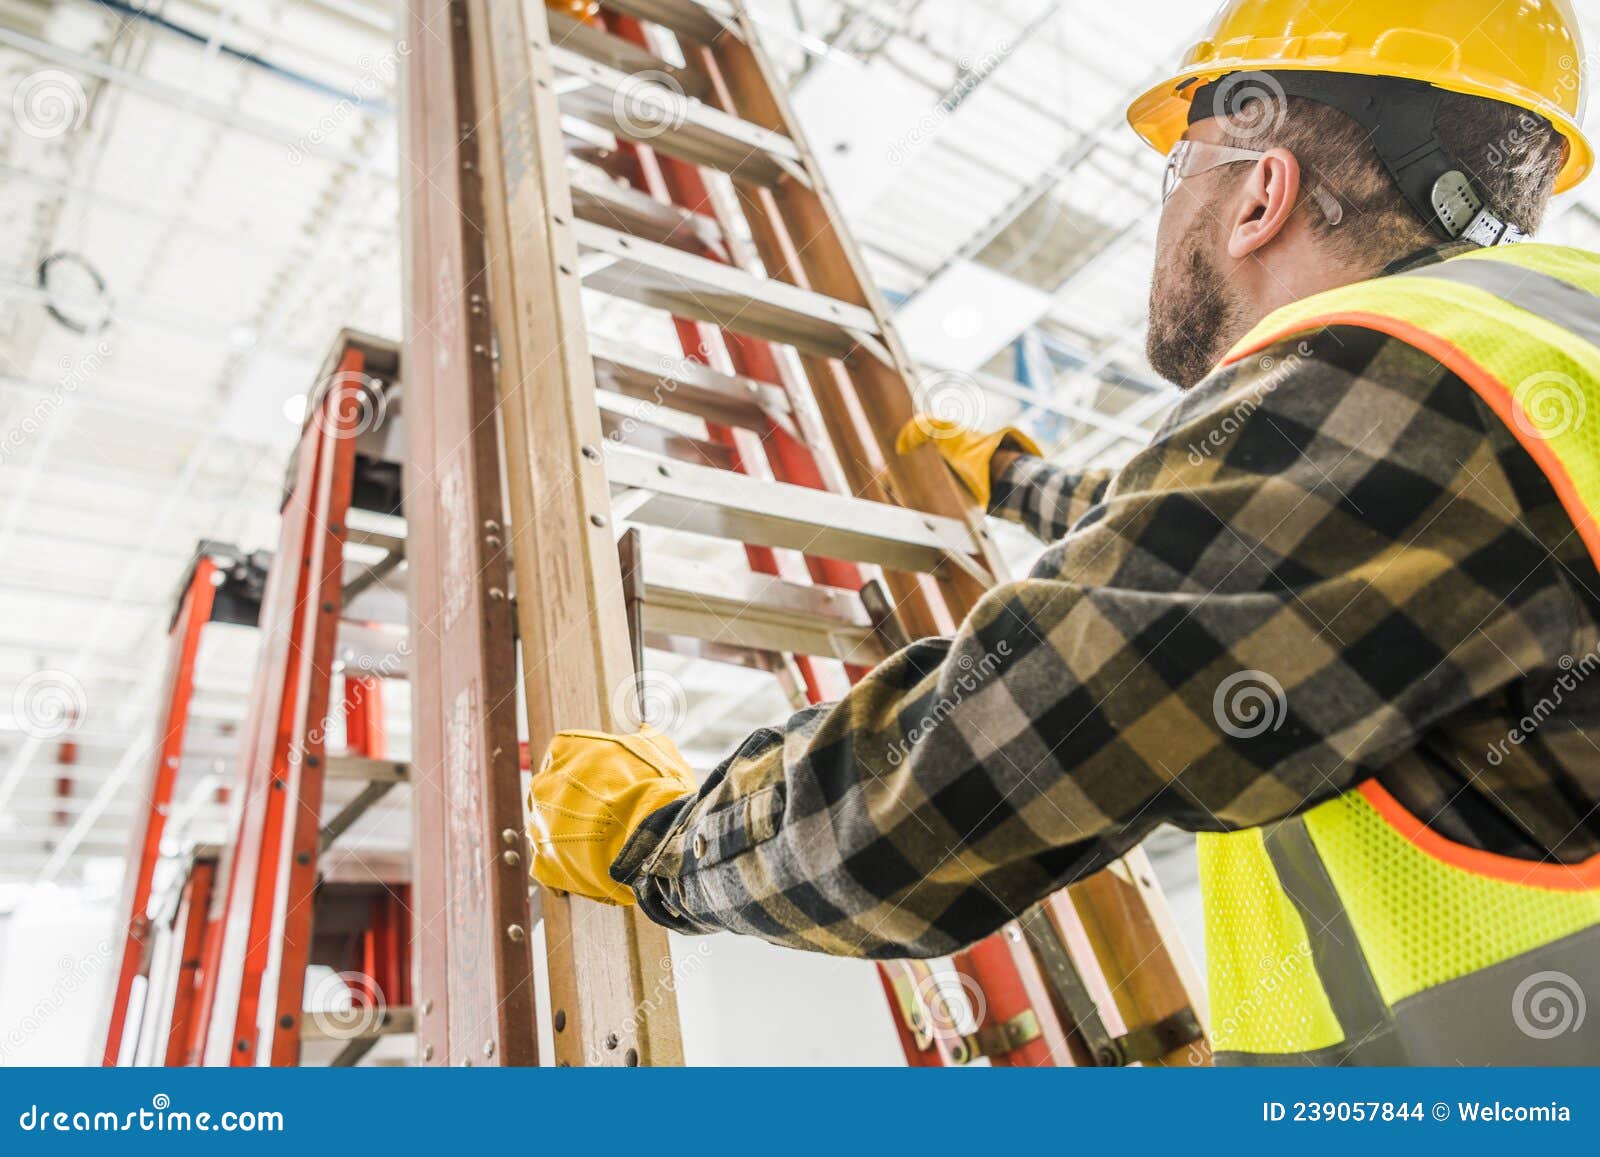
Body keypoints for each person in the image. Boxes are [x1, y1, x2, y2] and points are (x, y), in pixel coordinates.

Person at [528, 0, 1600, 1064]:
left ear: (1261, 194)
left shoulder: (1393, 377)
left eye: (1177, 171)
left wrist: (659, 841)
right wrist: (1016, 481)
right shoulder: (1526, 362)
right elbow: (1274, 563)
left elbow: (977, 762)